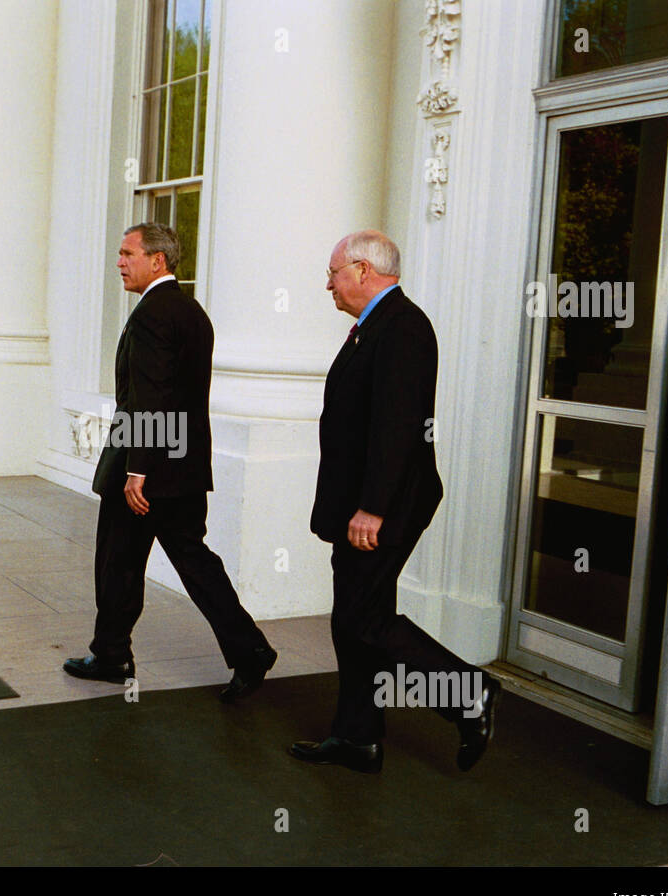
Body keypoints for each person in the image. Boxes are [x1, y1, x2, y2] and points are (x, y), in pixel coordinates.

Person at [290, 230, 498, 773]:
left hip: (385, 507)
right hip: (360, 505)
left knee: (364, 618)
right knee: (354, 618)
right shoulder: (372, 327)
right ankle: (358, 736)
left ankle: (468, 694)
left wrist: (373, 508)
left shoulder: (403, 327)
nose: (328, 285)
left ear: (362, 270)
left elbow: (398, 427)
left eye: (333, 273)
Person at [63, 223, 278, 701]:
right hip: (181, 465)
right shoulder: (192, 312)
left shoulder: (152, 315)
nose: (119, 262)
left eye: (127, 253)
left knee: (118, 560)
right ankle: (247, 651)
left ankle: (113, 655)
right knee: (192, 561)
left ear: (157, 260)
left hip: (145, 470)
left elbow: (150, 396)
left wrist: (138, 469)